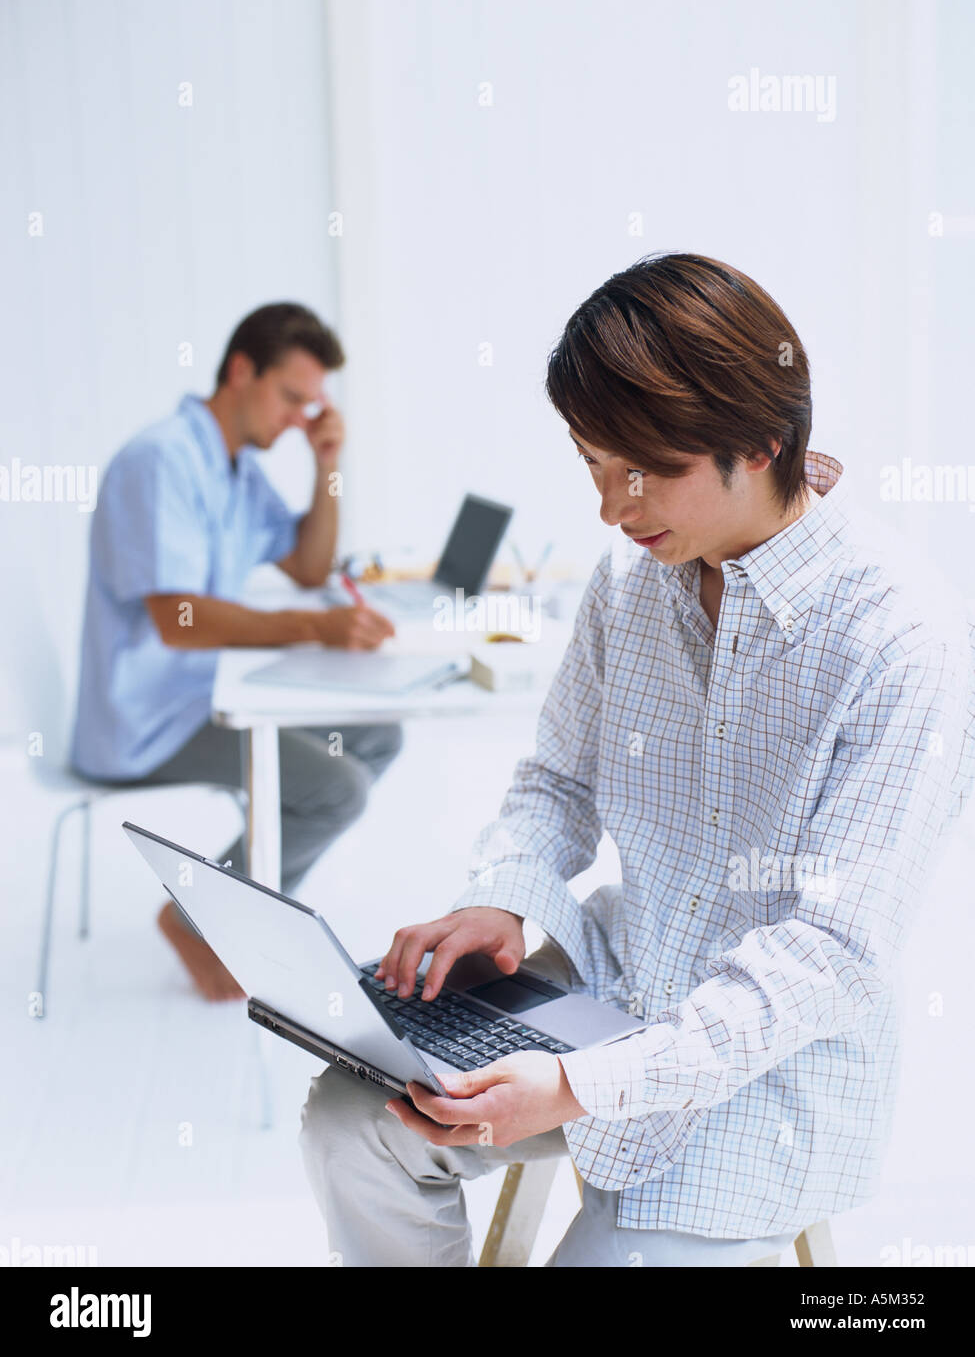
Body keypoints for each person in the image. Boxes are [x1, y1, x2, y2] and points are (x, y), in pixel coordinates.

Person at [298, 254, 975, 1267]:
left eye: (644, 470)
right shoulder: (633, 581)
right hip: (614, 983)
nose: (613, 509)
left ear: (762, 440)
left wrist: (577, 1087)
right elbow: (557, 785)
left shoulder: (901, 640)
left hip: (765, 1083)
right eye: (594, 466)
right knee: (350, 1120)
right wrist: (508, 901)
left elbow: (828, 955)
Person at [71, 303, 402, 1001]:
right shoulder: (163, 459)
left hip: (201, 696)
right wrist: (312, 629)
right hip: (145, 721)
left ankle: (235, 905)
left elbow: (311, 569)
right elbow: (180, 619)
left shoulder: (235, 470)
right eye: (290, 398)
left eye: (309, 406)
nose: (295, 419)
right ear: (240, 370)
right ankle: (197, 922)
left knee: (376, 735)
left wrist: (327, 467)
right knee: (336, 790)